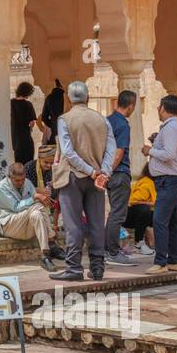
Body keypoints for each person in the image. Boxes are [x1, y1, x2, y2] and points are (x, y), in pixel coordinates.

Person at [48, 81, 116, 282]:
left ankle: (74, 267)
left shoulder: (64, 119)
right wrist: (102, 172)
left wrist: (90, 171)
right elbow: (111, 149)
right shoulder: (102, 120)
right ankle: (97, 267)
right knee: (96, 223)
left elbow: (68, 152)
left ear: (69, 99)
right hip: (97, 179)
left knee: (73, 224)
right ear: (88, 97)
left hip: (72, 176)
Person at [143, 94, 177, 274]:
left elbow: (169, 154)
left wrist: (151, 151)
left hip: (170, 180)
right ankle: (174, 260)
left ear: (163, 107)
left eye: (159, 107)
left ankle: (161, 261)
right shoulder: (171, 127)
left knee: (160, 220)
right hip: (169, 179)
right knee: (171, 221)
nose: (157, 110)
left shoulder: (171, 128)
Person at [0, 162, 62, 271]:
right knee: (37, 205)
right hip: (8, 225)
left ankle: (45, 255)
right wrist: (35, 198)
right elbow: (16, 207)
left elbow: (36, 205)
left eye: (22, 179)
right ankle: (51, 240)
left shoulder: (27, 182)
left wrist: (40, 200)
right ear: (10, 177)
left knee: (37, 213)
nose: (21, 183)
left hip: (25, 227)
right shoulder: (2, 187)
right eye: (17, 180)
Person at [104, 90, 137, 267]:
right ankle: (113, 252)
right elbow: (119, 153)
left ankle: (106, 249)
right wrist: (109, 171)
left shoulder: (107, 120)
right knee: (118, 214)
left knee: (112, 214)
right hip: (119, 173)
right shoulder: (123, 125)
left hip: (107, 173)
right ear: (131, 105)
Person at [123, 164, 156, 256]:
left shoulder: (154, 182)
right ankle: (139, 243)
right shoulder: (147, 182)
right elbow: (133, 201)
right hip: (128, 216)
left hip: (140, 215)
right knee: (145, 209)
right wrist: (152, 203)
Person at [10, 82, 38, 166]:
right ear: (27, 93)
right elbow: (32, 123)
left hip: (15, 140)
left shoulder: (10, 103)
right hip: (26, 140)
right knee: (28, 165)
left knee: (17, 166)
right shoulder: (28, 105)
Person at [39, 79, 65, 143]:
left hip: (54, 131)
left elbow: (44, 117)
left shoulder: (49, 97)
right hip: (66, 131)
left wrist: (53, 124)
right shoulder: (66, 97)